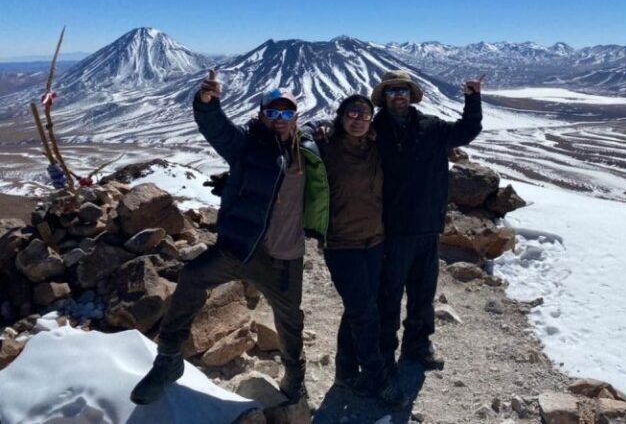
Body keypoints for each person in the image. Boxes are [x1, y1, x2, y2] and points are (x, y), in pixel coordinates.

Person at [130, 71, 329, 405]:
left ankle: (295, 378)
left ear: (296, 116)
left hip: (284, 257)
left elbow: (335, 129)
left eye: (286, 113)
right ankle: (168, 361)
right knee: (192, 278)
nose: (279, 119)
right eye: (272, 112)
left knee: (291, 321)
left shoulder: (307, 146)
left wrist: (329, 126)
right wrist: (207, 104)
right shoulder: (247, 145)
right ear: (261, 114)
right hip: (239, 248)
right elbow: (218, 130)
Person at [372, 70, 482, 376]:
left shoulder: (431, 127)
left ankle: (418, 345)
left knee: (423, 293)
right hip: (390, 230)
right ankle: (383, 351)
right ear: (385, 96)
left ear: (411, 95)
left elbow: (467, 130)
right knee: (389, 294)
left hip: (427, 227)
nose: (398, 95)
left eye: (403, 90)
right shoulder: (373, 130)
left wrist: (473, 98)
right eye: (392, 91)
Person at [316, 94, 408, 408]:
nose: (358, 118)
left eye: (365, 114)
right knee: (365, 313)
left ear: (371, 121)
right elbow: (301, 140)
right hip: (342, 244)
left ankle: (344, 371)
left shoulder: (375, 149)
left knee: (360, 308)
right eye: (352, 113)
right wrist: (321, 129)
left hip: (374, 241)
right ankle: (377, 378)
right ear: (341, 117)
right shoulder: (326, 147)